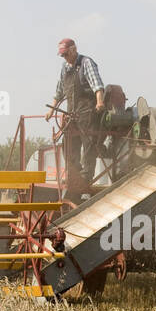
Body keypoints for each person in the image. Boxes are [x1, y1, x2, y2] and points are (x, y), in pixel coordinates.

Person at [50, 37, 106, 201]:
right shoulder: (65, 67)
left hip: (87, 111)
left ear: (74, 49)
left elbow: (97, 85)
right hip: (71, 112)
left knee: (88, 144)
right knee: (68, 144)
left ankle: (85, 179)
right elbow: (60, 90)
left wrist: (100, 102)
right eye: (62, 55)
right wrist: (52, 109)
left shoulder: (86, 63)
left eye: (66, 54)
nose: (65, 57)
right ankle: (74, 175)